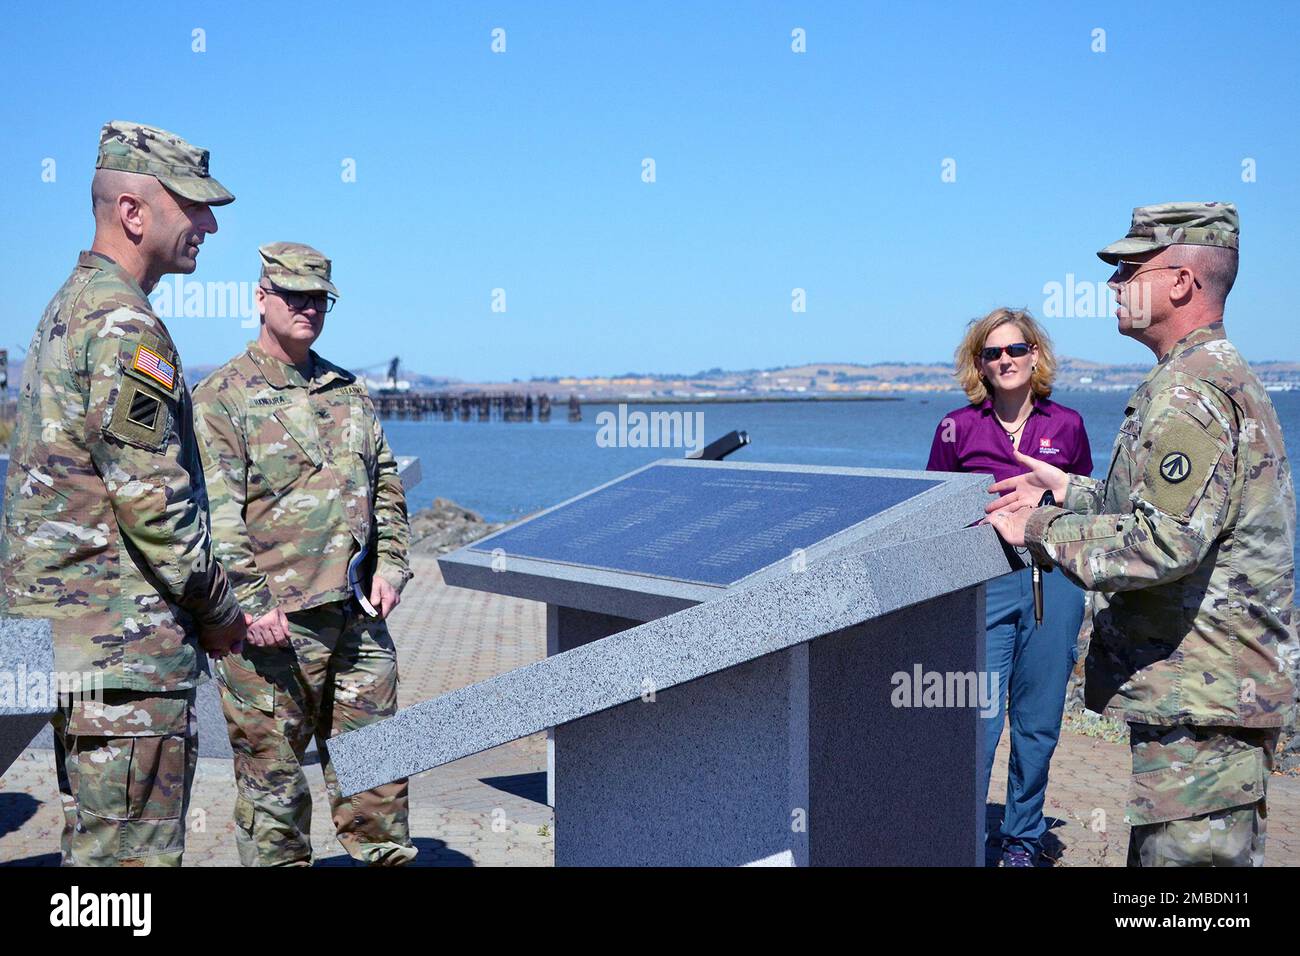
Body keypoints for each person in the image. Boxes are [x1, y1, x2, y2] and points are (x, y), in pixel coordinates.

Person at [987, 202, 1297, 866]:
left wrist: (1039, 527)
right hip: (1205, 702)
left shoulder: (1191, 391)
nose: (1113, 285)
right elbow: (1172, 516)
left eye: (1130, 268)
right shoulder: (1203, 376)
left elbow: (1160, 545)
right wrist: (1071, 491)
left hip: (1205, 708)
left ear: (1182, 282)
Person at [0, 121, 248, 866]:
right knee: (126, 875)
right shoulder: (121, 322)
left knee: (99, 868)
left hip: (71, 650)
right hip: (125, 659)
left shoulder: (69, 305)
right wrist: (222, 613)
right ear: (134, 212)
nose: (207, 224)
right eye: (192, 206)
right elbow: (156, 506)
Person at [192, 242, 416, 866]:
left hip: (357, 621)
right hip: (273, 629)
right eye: (293, 296)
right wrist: (251, 605)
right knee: (275, 796)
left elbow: (387, 483)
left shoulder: (346, 389)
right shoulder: (222, 397)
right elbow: (216, 514)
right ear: (260, 298)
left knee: (378, 784)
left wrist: (392, 564)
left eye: (318, 298)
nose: (307, 308)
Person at [927, 308, 1092, 866]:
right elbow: (935, 513)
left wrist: (1047, 502)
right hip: (985, 585)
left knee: (1038, 721)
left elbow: (1088, 502)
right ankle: (961, 835)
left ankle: (1022, 838)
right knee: (977, 720)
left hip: (1056, 584)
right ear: (979, 364)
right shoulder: (956, 427)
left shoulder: (1067, 424)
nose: (1006, 360)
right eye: (993, 353)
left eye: (1016, 350)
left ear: (1035, 356)